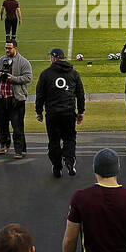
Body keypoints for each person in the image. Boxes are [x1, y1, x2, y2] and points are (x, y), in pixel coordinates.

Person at [35, 47, 85, 178]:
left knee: (54, 141)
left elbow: (40, 95)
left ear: (54, 58)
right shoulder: (73, 73)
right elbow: (80, 94)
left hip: (52, 113)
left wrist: (38, 111)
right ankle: (69, 160)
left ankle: (57, 166)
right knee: (69, 138)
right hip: (68, 112)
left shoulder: (46, 74)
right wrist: (80, 111)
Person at [0, 39, 32, 158]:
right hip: (1, 97)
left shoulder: (23, 62)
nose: (7, 50)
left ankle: (20, 150)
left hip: (16, 99)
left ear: (15, 48)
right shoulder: (1, 60)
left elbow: (28, 77)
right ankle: (4, 145)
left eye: (9, 48)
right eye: (6, 48)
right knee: (1, 125)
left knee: (17, 126)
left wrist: (13, 78)